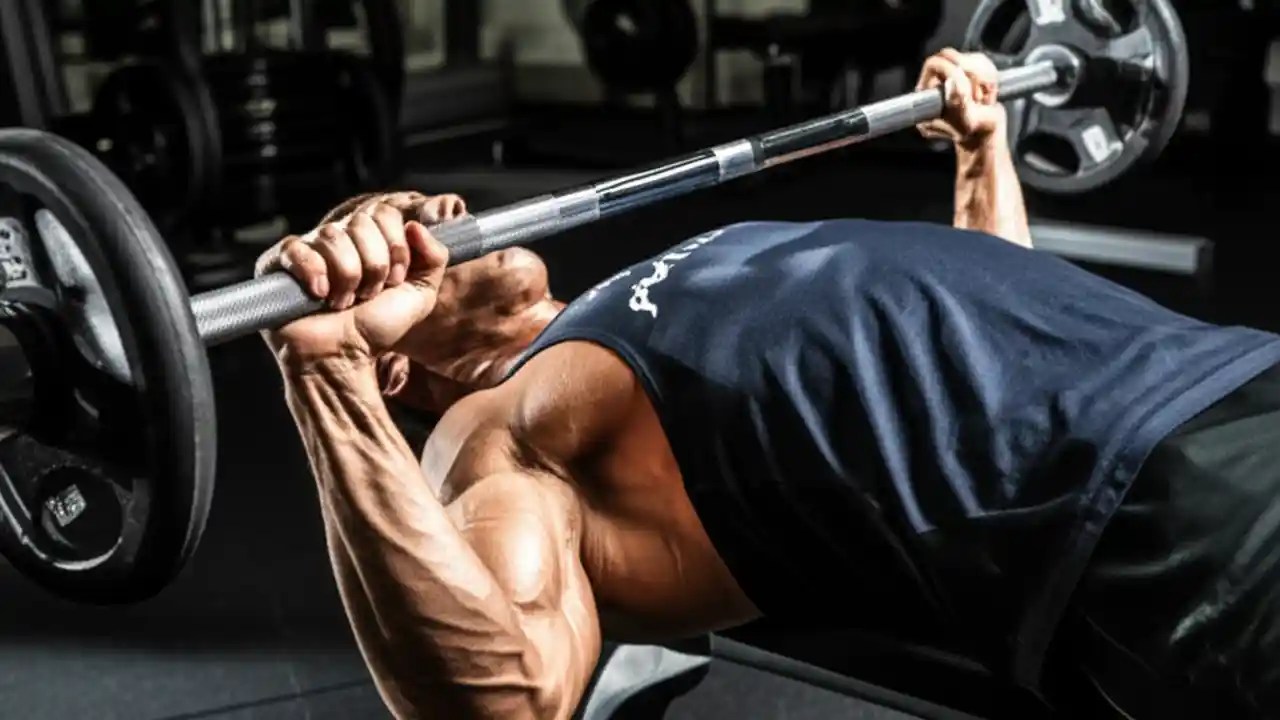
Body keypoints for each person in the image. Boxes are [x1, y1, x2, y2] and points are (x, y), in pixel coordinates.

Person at [257, 49, 1280, 719]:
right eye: (397, 224)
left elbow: (995, 325)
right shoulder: (498, 435)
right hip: (1151, 513)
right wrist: (329, 376)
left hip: (1224, 374)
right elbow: (507, 699)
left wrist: (983, 152)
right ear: (392, 349)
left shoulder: (622, 297)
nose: (437, 204)